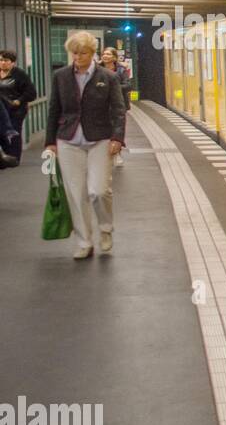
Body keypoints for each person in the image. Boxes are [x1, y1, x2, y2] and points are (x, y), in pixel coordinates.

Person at [44, 32, 125, 259]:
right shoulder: (60, 76)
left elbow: (118, 110)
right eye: (75, 53)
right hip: (68, 140)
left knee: (98, 190)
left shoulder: (107, 77)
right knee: (76, 194)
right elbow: (54, 110)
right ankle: (84, 241)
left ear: (93, 54)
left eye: (83, 53)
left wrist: (118, 138)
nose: (78, 57)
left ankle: (105, 229)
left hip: (100, 138)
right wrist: (50, 142)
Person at [0, 48, 36, 164]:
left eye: (6, 60)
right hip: (2, 108)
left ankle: (14, 157)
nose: (3, 63)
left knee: (14, 131)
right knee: (2, 132)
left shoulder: (19, 75)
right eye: (1, 60)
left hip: (16, 109)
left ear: (13, 62)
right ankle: (5, 156)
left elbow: (31, 93)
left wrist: (19, 100)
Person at [99, 49, 130, 167]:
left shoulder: (121, 70)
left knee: (117, 128)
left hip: (118, 104)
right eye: (104, 54)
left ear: (114, 57)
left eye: (108, 54)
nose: (105, 56)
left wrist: (112, 88)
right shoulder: (97, 70)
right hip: (101, 105)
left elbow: (128, 85)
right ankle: (104, 153)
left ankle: (117, 152)